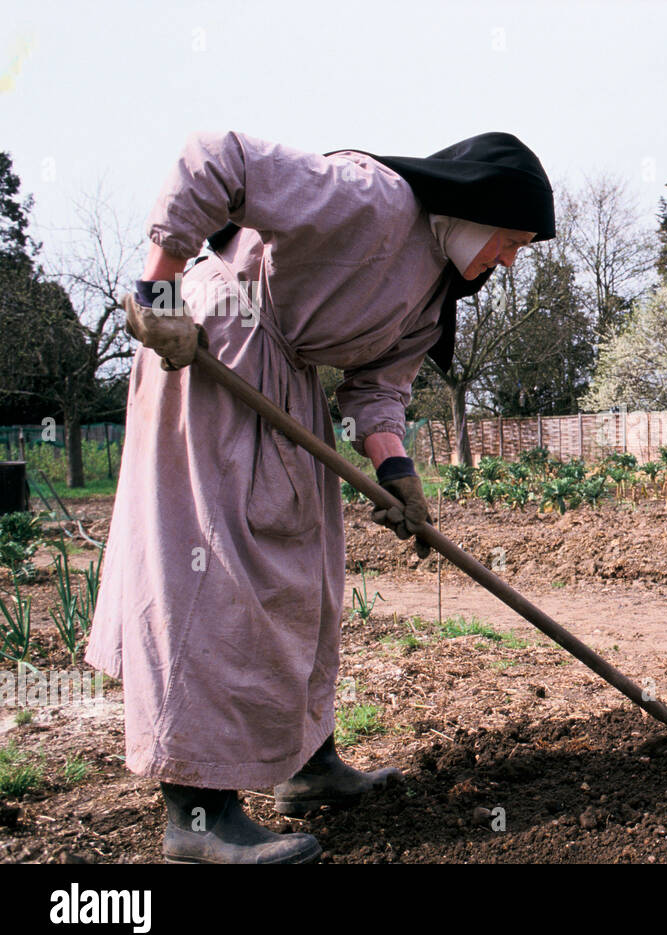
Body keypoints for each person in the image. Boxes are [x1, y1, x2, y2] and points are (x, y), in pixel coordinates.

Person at [85, 129, 555, 863]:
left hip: (288, 384)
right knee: (215, 577)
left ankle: (306, 764)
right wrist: (158, 288)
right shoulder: (369, 199)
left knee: (309, 577)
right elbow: (216, 159)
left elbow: (379, 388)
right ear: (480, 209)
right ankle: (197, 815)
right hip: (215, 350)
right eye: (512, 240)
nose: (509, 259)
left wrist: (396, 470)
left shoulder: (432, 296)